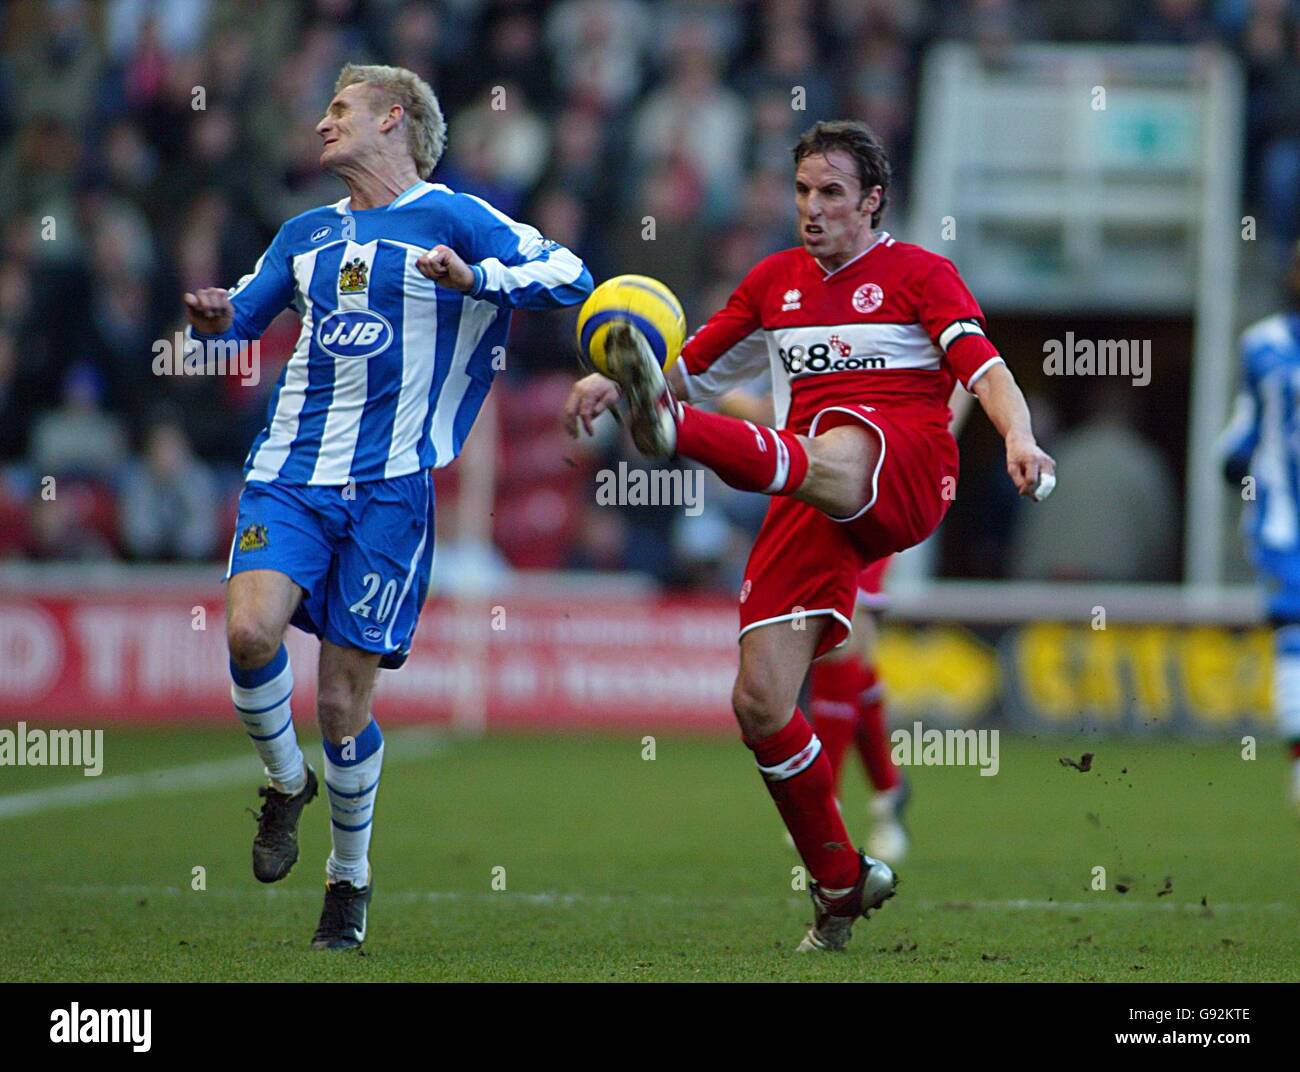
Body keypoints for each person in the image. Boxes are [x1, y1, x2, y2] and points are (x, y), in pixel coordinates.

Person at [565, 119, 1055, 951]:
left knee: (826, 439)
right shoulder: (772, 284)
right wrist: (614, 382)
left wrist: (1017, 433)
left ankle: (672, 437)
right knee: (759, 700)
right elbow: (690, 367)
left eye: (832, 193)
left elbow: (985, 368)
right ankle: (838, 879)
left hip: (901, 465)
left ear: (872, 200)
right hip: (808, 483)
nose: (813, 209)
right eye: (802, 192)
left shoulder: (920, 275)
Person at [184, 63, 591, 951]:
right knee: (251, 634)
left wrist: (477, 279)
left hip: (391, 494)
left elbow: (571, 274)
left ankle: (349, 881)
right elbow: (243, 323)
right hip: (291, 470)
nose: (323, 123)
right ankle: (287, 784)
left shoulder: (454, 217)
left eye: (340, 109)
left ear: (392, 120)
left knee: (342, 703)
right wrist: (215, 320)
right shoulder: (301, 234)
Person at [1219, 238, 1300, 816]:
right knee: (1294, 632)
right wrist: (1236, 461)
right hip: (1284, 526)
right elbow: (1241, 434)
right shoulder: (1264, 345)